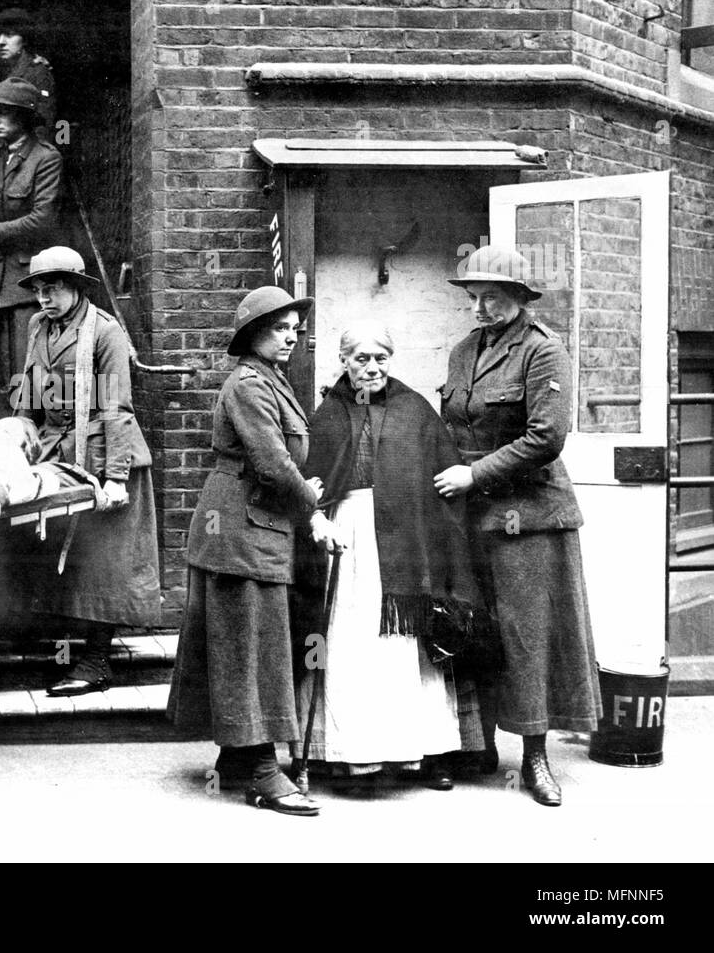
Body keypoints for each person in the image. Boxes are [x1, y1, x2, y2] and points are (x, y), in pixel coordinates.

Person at [434, 245, 601, 806]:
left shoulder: (543, 351)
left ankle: (535, 758)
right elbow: (451, 425)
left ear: (521, 299)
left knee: (527, 636)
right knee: (475, 630)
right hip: (472, 518)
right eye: (474, 298)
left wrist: (472, 475)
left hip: (529, 519)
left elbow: (546, 438)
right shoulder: (462, 352)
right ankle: (476, 745)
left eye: (493, 298)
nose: (480, 308)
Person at [291, 321, 486, 792]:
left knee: (408, 648)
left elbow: (445, 473)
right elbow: (310, 480)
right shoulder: (328, 413)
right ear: (344, 361)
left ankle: (424, 753)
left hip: (408, 543)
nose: (372, 368)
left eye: (380, 358)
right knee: (348, 644)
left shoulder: (414, 409)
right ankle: (346, 756)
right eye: (362, 359)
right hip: (348, 539)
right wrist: (318, 514)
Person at [0, 248, 168, 694]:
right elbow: (30, 392)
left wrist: (115, 479)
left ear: (78, 287)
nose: (44, 297)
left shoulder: (106, 333)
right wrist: (13, 439)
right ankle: (4, 619)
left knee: (102, 559)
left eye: (53, 287)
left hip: (106, 455)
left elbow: (117, 407)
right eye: (38, 289)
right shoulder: (39, 326)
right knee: (19, 524)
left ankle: (96, 661)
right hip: (58, 449)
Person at [167, 286, 323, 817]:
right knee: (248, 648)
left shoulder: (273, 381)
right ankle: (261, 770)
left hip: (256, 522)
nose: (292, 334)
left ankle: (237, 755)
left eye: (294, 327)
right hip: (238, 527)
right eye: (280, 327)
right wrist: (315, 509)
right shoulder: (249, 384)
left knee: (247, 643)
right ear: (252, 334)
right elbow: (273, 463)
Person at [0, 78, 62, 420]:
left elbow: (43, 220)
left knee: (29, 367)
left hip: (26, 281)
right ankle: (2, 437)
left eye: (4, 113)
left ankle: (31, 438)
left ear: (24, 118)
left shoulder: (45, 158)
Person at [0, 8, 56, 141]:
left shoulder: (38, 73)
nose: (1, 42)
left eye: (9, 35)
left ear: (24, 40)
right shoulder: (1, 71)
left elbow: (43, 123)